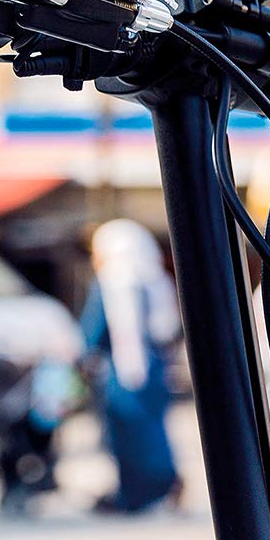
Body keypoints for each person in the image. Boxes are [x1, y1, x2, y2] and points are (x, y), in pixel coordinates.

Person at [81, 218, 180, 515]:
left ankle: (135, 495)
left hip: (123, 372)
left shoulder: (112, 280)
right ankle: (161, 486)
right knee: (154, 430)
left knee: (129, 434)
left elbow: (94, 332)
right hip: (156, 368)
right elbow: (168, 329)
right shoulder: (156, 279)